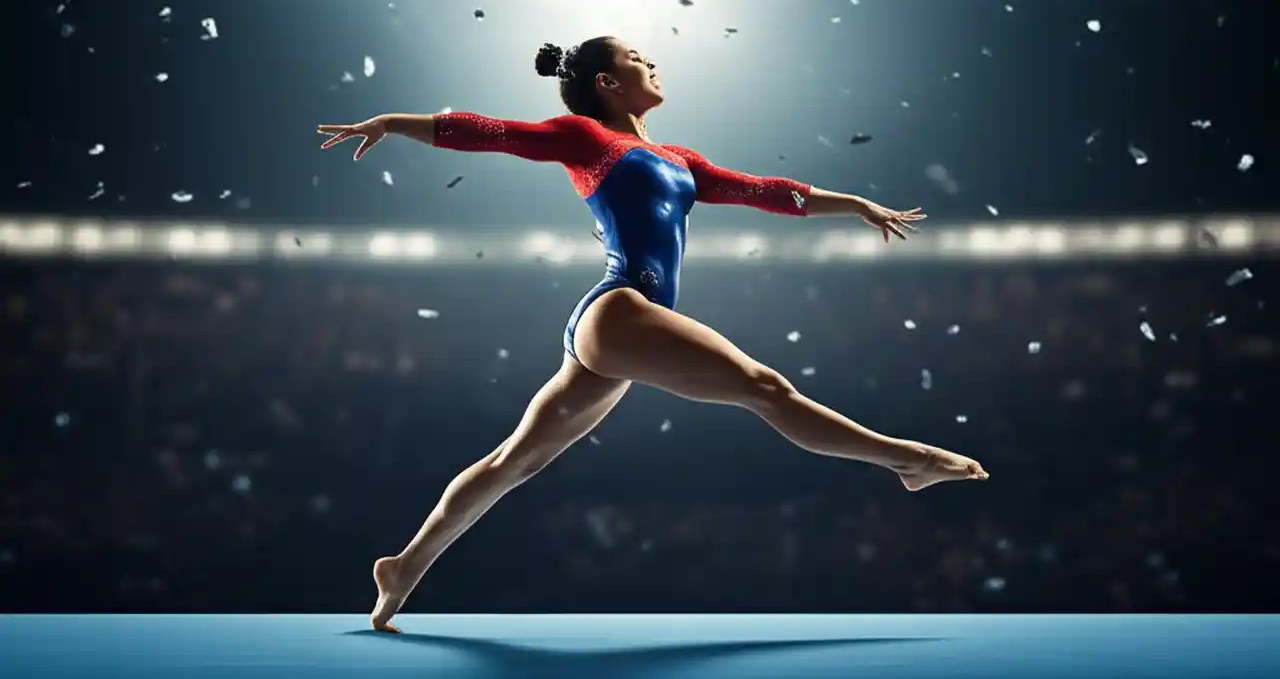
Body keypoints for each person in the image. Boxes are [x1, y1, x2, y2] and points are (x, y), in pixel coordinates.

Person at [317, 36, 988, 633]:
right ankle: (905, 460)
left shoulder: (676, 158)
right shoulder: (585, 138)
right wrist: (392, 123)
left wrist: (854, 203)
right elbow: (492, 132)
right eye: (638, 58)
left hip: (611, 330)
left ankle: (402, 569)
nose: (652, 62)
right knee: (764, 386)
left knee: (513, 463)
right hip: (620, 308)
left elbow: (764, 190)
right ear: (607, 83)